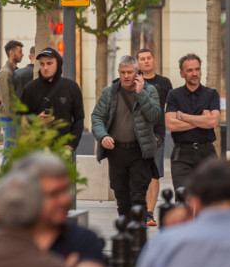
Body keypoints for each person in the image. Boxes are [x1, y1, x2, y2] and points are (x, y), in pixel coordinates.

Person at [12, 151, 106, 267]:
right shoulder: (5, 238)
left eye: (66, 191)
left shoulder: (83, 240)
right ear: (28, 196)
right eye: (54, 194)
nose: (64, 200)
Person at [90, 55, 161, 218]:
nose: (126, 76)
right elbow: (97, 117)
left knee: (138, 196)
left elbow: (154, 116)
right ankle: (125, 235)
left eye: (129, 72)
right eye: (123, 72)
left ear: (137, 72)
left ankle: (138, 237)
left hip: (139, 151)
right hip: (117, 151)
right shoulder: (110, 92)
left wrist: (141, 94)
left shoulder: (149, 91)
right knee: (122, 197)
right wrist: (103, 136)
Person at [163, 53, 220, 191]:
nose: (194, 73)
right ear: (182, 74)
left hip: (207, 153)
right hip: (182, 154)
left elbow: (212, 122)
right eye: (189, 70)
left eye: (197, 69)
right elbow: (171, 125)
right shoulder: (174, 95)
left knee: (210, 199)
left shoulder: (211, 94)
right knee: (183, 199)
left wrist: (183, 116)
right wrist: (202, 120)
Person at [17, 47, 85, 140]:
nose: (45, 68)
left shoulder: (71, 87)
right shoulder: (30, 88)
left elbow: (79, 118)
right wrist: (35, 120)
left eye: (49, 63)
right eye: (42, 64)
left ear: (58, 64)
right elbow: (19, 118)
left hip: (63, 148)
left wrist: (71, 144)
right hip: (36, 147)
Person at [137, 48, 173, 224]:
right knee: (137, 174)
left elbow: (172, 107)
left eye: (148, 58)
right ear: (138, 62)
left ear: (154, 60)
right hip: (135, 135)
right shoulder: (134, 80)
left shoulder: (164, 82)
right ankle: (139, 209)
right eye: (142, 59)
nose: (146, 61)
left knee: (154, 174)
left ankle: (149, 213)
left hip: (157, 134)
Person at [0, 40, 23, 159]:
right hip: (9, 118)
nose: (22, 54)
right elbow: (6, 98)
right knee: (9, 152)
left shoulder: (15, 71)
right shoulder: (5, 72)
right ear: (12, 53)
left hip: (14, 117)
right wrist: (14, 117)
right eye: (20, 52)